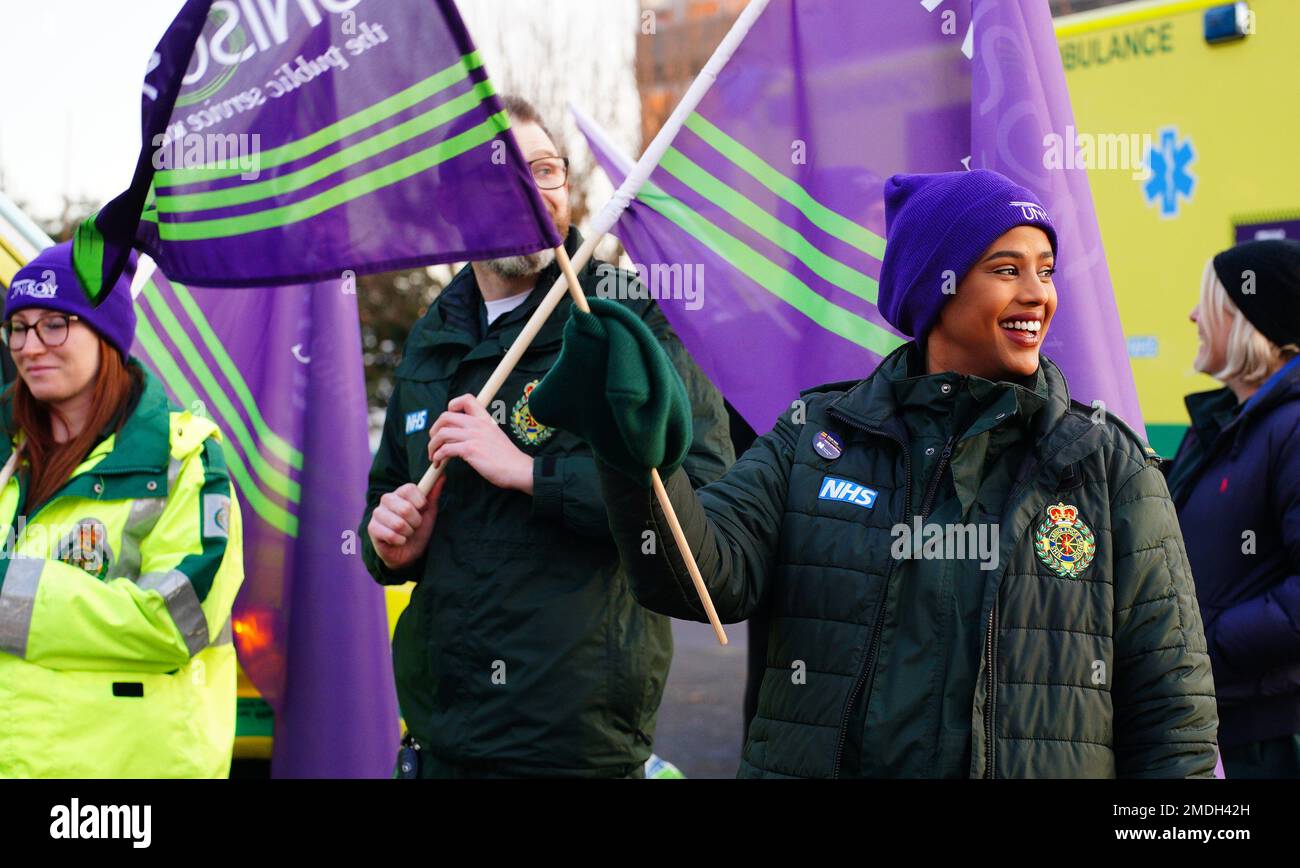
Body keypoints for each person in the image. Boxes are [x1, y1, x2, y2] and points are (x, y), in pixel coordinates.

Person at [532, 168, 1219, 778]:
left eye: (1046, 269)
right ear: (935, 290)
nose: (1039, 293)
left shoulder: (1108, 468)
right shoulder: (817, 437)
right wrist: (629, 456)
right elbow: (698, 574)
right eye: (1007, 269)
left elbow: (1173, 719)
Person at [360, 95, 734, 778]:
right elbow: (385, 501)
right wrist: (389, 544)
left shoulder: (623, 317)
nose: (531, 193)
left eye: (545, 170)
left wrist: (530, 473)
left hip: (574, 747)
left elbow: (698, 506)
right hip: (441, 740)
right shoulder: (431, 337)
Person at [0, 242, 243, 778]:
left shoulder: (184, 457)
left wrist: (7, 593)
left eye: (55, 324)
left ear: (106, 335)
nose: (29, 345)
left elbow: (177, 624)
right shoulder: (9, 455)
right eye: (17, 326)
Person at [1164, 239, 1300, 779]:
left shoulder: (1291, 428)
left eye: (1210, 303)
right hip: (1216, 722)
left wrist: (1199, 644)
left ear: (1250, 321)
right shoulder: (1221, 427)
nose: (1194, 315)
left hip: (1266, 741)